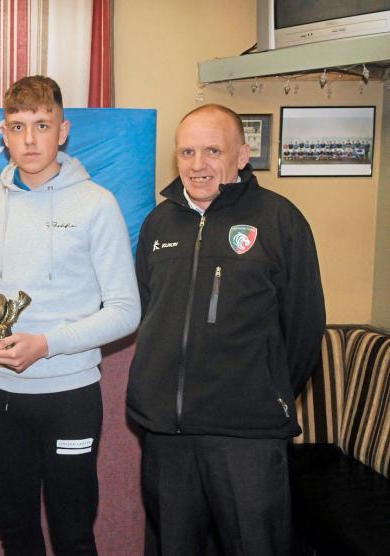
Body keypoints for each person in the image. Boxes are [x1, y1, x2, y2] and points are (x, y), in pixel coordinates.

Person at [127, 103, 325, 555]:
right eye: (187, 152)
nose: (198, 165)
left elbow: (304, 325)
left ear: (242, 155)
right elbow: (147, 311)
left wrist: (263, 391)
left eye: (213, 150)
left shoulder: (279, 220)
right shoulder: (158, 223)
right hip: (168, 434)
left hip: (247, 436)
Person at [0, 75, 141, 555]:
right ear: (3, 134)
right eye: (17, 126)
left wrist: (47, 344)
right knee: (16, 531)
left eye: (41, 125)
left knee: (72, 533)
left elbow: (126, 312)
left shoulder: (97, 204)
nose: (29, 140)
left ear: (62, 131)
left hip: (69, 397)